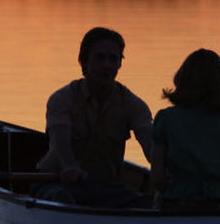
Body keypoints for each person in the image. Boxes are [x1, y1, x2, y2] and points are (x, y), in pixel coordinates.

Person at [34, 27, 154, 207]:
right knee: (60, 198)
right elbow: (60, 139)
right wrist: (69, 165)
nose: (107, 65)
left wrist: (167, 171)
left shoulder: (133, 105)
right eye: (99, 58)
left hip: (107, 187)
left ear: (119, 64)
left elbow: (150, 144)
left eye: (113, 59)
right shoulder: (62, 99)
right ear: (83, 62)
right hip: (57, 182)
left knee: (151, 204)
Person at [151, 49, 220, 210]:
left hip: (176, 202)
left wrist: (173, 193)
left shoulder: (165, 118)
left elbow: (157, 178)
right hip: (219, 204)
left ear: (182, 80)